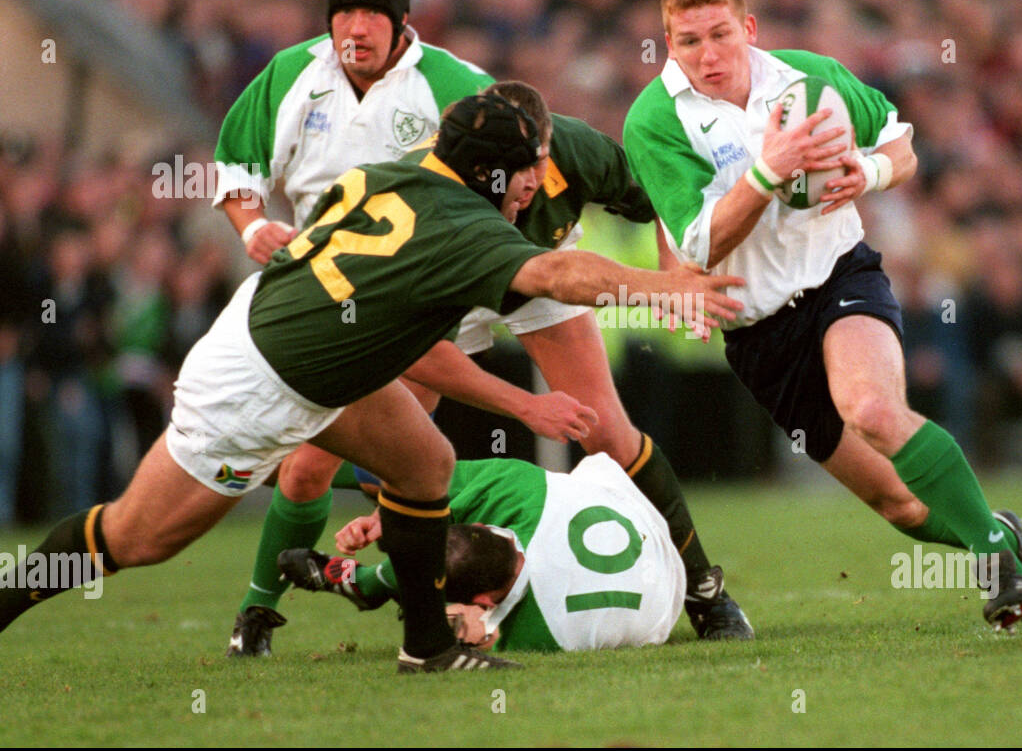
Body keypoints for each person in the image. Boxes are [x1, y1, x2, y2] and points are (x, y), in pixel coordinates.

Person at [0, 93, 743, 674]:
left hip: (304, 355)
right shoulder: (463, 226)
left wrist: (518, 400)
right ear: (489, 174)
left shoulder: (387, 173)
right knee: (138, 538)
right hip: (253, 383)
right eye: (522, 180)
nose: (531, 193)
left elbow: (412, 344)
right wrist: (660, 288)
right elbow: (554, 273)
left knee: (427, 465)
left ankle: (426, 645)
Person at [212, 0, 747, 652]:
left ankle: (706, 591)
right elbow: (433, 353)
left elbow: (651, 211)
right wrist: (525, 407)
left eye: (537, 164)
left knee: (608, 434)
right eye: (515, 170)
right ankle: (261, 611)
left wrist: (673, 271)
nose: (530, 183)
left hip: (538, 278)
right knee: (341, 464)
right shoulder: (432, 209)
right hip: (443, 279)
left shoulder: (570, 147)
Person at [622, 0, 1022, 630]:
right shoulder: (654, 120)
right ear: (667, 43)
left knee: (873, 409)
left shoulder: (810, 79)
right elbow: (696, 247)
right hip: (759, 334)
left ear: (748, 28)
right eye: (688, 42)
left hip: (840, 279)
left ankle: (995, 569)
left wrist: (870, 169)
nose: (707, 55)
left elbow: (900, 142)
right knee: (902, 506)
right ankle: (999, 534)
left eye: (720, 34)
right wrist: (770, 174)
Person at [279, 452, 685, 653]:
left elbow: (421, 471)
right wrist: (388, 515)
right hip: (658, 572)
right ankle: (710, 594)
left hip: (655, 581)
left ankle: (364, 582)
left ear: (483, 602)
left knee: (428, 565)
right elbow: (426, 478)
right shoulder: (515, 486)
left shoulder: (531, 636)